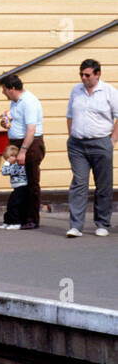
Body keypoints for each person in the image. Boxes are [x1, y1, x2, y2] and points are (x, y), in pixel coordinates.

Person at [65, 58, 118, 237]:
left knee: (103, 185)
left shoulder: (109, 91)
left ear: (97, 74)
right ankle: (76, 226)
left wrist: (112, 140)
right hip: (78, 145)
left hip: (101, 143)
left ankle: (102, 223)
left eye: (87, 75)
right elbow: (70, 115)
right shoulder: (76, 90)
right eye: (81, 74)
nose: (83, 78)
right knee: (78, 184)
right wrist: (71, 135)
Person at [0, 74, 44, 230]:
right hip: (18, 143)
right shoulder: (15, 102)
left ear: (12, 88)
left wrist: (23, 151)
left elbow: (31, 130)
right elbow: (16, 122)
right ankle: (19, 217)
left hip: (29, 144)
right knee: (20, 183)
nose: (3, 92)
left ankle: (31, 218)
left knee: (31, 181)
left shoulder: (29, 102)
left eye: (4, 89)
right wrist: (6, 123)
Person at [0, 144, 28, 230]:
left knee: (14, 205)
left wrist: (7, 162)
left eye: (8, 158)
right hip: (16, 188)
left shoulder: (19, 166)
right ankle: (8, 221)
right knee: (10, 205)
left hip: (21, 188)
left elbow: (4, 171)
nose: (7, 160)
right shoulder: (14, 165)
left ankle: (16, 222)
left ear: (14, 156)